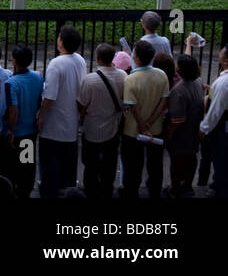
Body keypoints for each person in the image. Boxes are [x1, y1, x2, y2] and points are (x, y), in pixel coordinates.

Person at [37, 24, 87, 198]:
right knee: (68, 166)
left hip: (53, 126)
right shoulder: (80, 60)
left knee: (50, 167)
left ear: (61, 42)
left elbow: (49, 96)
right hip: (71, 124)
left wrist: (41, 117)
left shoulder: (56, 64)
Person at [76, 42, 126, 199]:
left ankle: (90, 189)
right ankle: (107, 188)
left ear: (97, 58)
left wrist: (81, 119)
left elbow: (82, 105)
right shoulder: (123, 76)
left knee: (90, 163)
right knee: (110, 162)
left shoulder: (90, 80)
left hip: (92, 128)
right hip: (113, 127)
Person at [120, 38, 168, 199]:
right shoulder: (161, 75)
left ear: (137, 58)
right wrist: (150, 123)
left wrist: (142, 126)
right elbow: (163, 101)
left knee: (133, 166)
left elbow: (132, 107)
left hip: (133, 131)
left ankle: (130, 191)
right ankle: (154, 191)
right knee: (155, 165)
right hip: (156, 129)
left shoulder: (130, 79)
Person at [3, 45, 43, 198]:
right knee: (27, 164)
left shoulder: (11, 83)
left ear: (14, 61)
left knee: (13, 166)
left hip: (17, 132)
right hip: (31, 130)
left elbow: (13, 110)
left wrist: (11, 131)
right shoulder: (38, 77)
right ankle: (26, 191)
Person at [166, 54, 204, 197]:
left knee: (177, 162)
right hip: (194, 129)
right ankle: (187, 185)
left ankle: (176, 188)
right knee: (191, 158)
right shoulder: (198, 82)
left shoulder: (178, 91)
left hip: (181, 133)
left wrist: (169, 134)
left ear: (180, 69)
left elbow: (177, 119)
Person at [199, 43, 228, 199]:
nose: (219, 55)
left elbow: (216, 111)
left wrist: (204, 128)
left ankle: (220, 188)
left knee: (220, 159)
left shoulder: (224, 82)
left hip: (222, 127)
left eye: (221, 54)